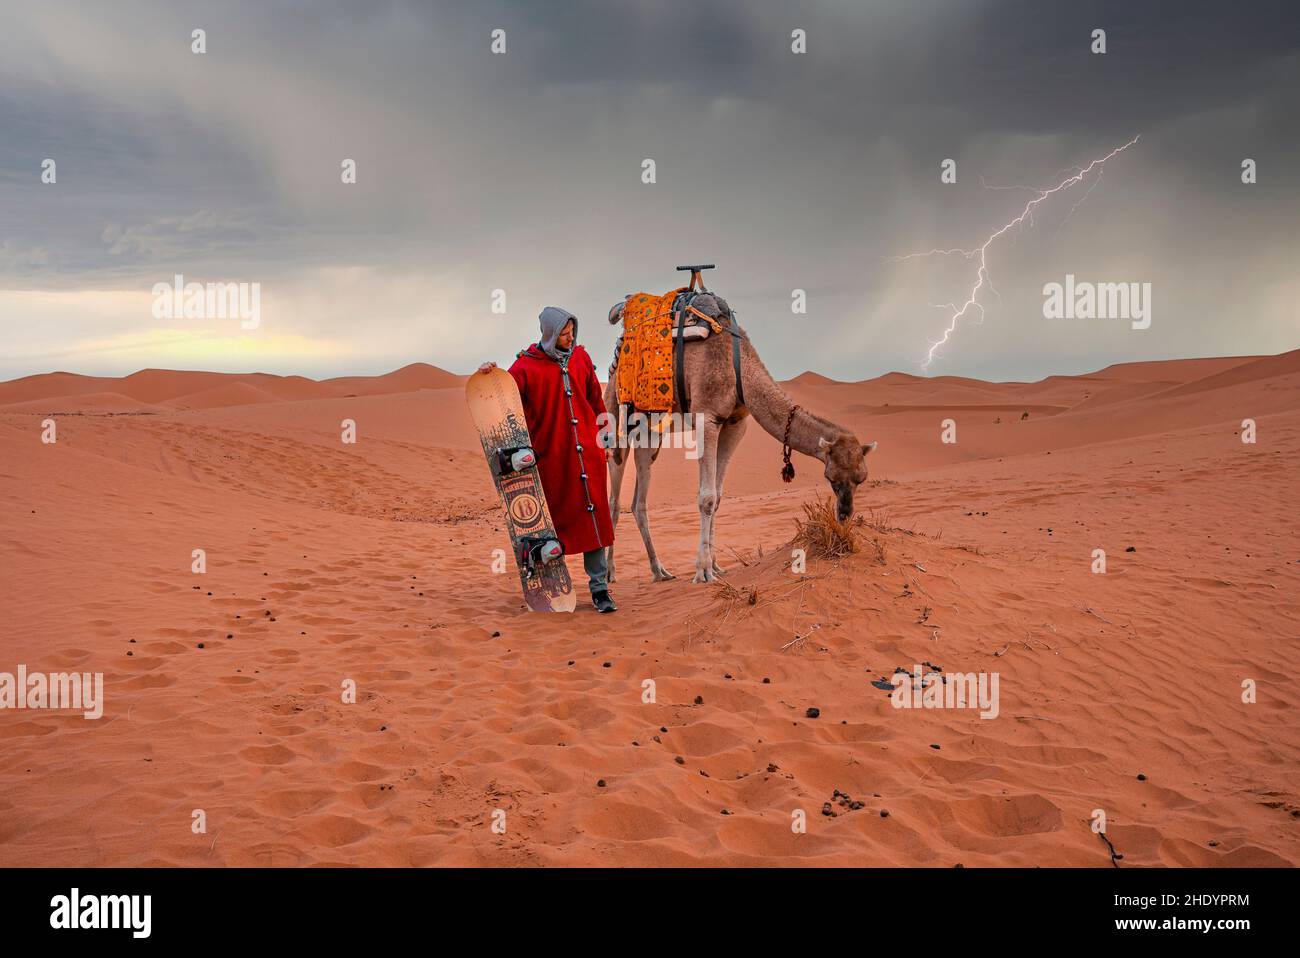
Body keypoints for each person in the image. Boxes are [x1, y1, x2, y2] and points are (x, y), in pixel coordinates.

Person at [479, 306, 617, 613]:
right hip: (553, 461)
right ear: (550, 334)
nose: (570, 338)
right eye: (564, 334)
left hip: (589, 459)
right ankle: (549, 586)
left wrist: (605, 440)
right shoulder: (527, 367)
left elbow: (596, 400)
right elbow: (504, 393)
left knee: (593, 520)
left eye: (572, 332)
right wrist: (490, 373)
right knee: (552, 524)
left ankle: (600, 589)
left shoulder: (580, 359)